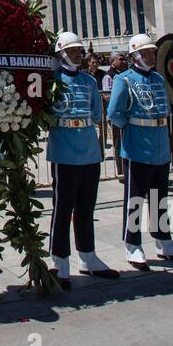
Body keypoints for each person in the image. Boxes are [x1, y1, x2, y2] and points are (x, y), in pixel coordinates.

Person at [107, 33, 173, 269]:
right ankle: (132, 244)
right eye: (147, 52)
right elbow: (114, 114)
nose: (152, 55)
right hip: (138, 147)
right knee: (135, 199)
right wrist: (132, 131)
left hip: (160, 147)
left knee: (159, 197)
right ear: (135, 56)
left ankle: (163, 239)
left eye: (152, 52)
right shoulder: (125, 80)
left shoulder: (159, 79)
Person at [46, 32, 119, 289]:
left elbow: (96, 113)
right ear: (61, 52)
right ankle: (59, 261)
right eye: (73, 50)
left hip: (89, 151)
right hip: (64, 152)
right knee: (63, 208)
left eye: (79, 50)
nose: (79, 54)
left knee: (86, 207)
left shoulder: (89, 81)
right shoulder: (52, 81)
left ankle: (88, 257)